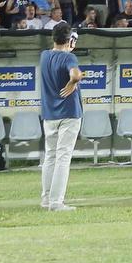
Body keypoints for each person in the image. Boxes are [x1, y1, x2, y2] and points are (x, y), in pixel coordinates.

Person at [38, 21, 83, 211]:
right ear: (68, 39)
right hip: (69, 113)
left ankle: (47, 199)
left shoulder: (44, 56)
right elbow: (74, 74)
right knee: (63, 158)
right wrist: (74, 81)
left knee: (50, 156)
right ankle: (57, 203)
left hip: (50, 114)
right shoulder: (68, 58)